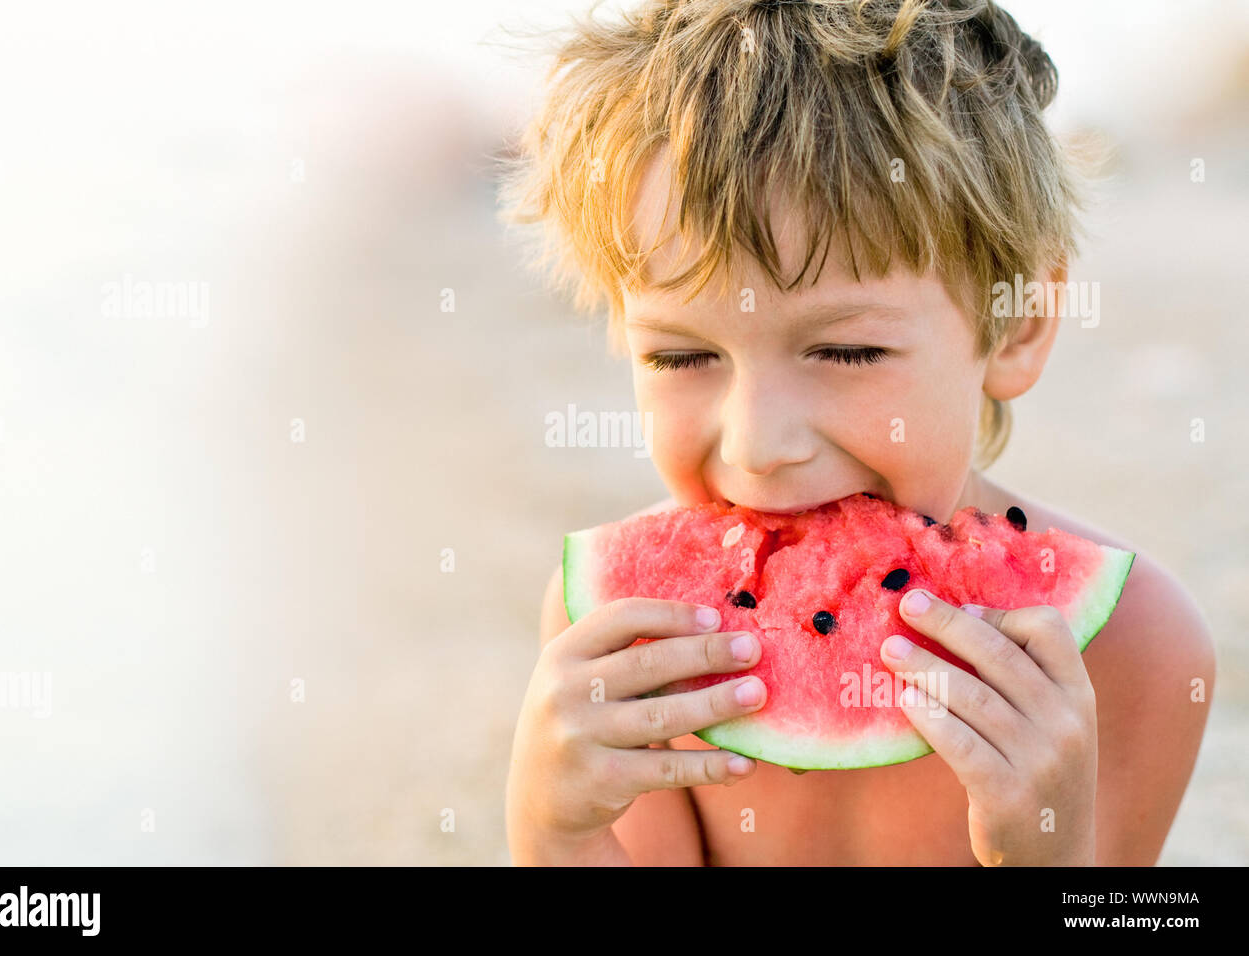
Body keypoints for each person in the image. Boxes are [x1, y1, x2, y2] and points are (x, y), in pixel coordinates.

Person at [498, 0, 1214, 865]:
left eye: (845, 349)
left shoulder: (1139, 648)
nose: (760, 444)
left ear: (1017, 325)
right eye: (682, 358)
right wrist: (554, 835)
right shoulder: (626, 642)